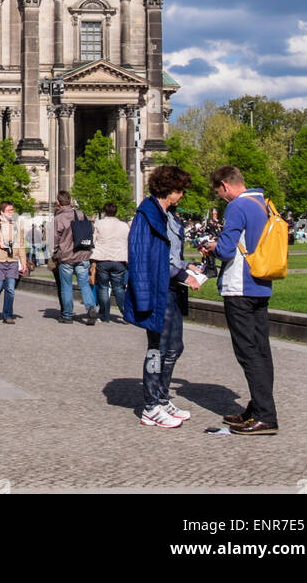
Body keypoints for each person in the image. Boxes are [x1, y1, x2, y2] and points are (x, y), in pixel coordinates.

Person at [124, 165, 200, 429]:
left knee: (174, 347)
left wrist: (187, 266)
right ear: (169, 189)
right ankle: (150, 405)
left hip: (170, 290)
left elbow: (170, 256)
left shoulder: (168, 216)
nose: (182, 195)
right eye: (180, 190)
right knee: (158, 349)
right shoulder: (147, 216)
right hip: (157, 290)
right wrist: (181, 275)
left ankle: (162, 397)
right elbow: (143, 258)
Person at [207, 166, 278, 436]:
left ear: (225, 185)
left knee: (247, 352)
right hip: (261, 283)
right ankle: (258, 406)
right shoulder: (264, 204)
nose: (221, 198)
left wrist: (212, 247)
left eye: (219, 192)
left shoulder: (237, 207)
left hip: (240, 286)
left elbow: (226, 250)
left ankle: (265, 415)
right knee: (261, 350)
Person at [52, 190, 98, 325]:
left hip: (66, 257)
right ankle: (91, 308)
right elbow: (91, 230)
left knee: (66, 286)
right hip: (82, 254)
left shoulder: (58, 219)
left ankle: (67, 315)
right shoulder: (81, 214)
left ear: (58, 203)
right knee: (84, 284)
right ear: (70, 201)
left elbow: (54, 239)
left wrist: (55, 254)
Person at [0, 202, 27, 323]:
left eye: (12, 210)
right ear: (2, 211)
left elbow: (21, 244)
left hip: (12, 260)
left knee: (10, 289)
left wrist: (23, 262)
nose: (11, 212)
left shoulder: (17, 224)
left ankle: (7, 315)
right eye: (9, 210)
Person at [90, 202, 130, 323]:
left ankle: (104, 314)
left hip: (103, 258)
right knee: (119, 288)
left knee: (103, 287)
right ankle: (125, 313)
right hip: (119, 259)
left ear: (104, 212)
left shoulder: (99, 224)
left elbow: (93, 240)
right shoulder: (124, 226)